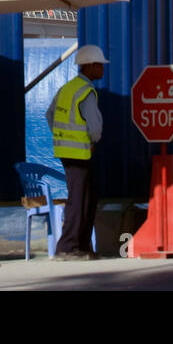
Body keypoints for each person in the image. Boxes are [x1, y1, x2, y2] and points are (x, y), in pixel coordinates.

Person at [46, 44, 107, 260]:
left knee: (86, 198)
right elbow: (95, 127)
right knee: (80, 199)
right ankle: (67, 247)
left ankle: (81, 245)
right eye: (99, 65)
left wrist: (63, 137)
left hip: (68, 152)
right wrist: (91, 140)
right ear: (89, 66)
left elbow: (50, 115)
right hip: (81, 152)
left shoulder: (67, 88)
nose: (102, 69)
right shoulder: (86, 92)